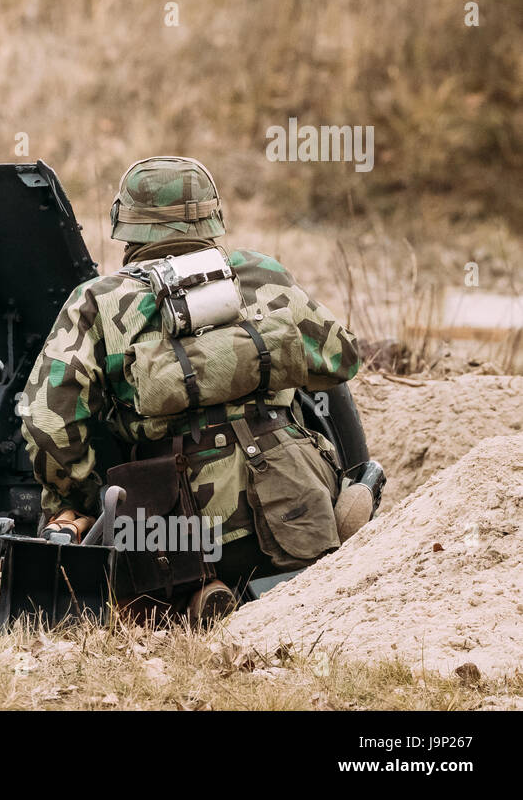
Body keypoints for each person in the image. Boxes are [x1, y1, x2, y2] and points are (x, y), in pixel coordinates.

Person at [19, 156, 370, 621]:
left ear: (124, 224)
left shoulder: (97, 301)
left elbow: (48, 422)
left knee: (145, 601)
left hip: (172, 535)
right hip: (296, 514)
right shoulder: (261, 274)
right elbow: (342, 358)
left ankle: (198, 599)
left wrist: (79, 504)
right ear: (213, 215)